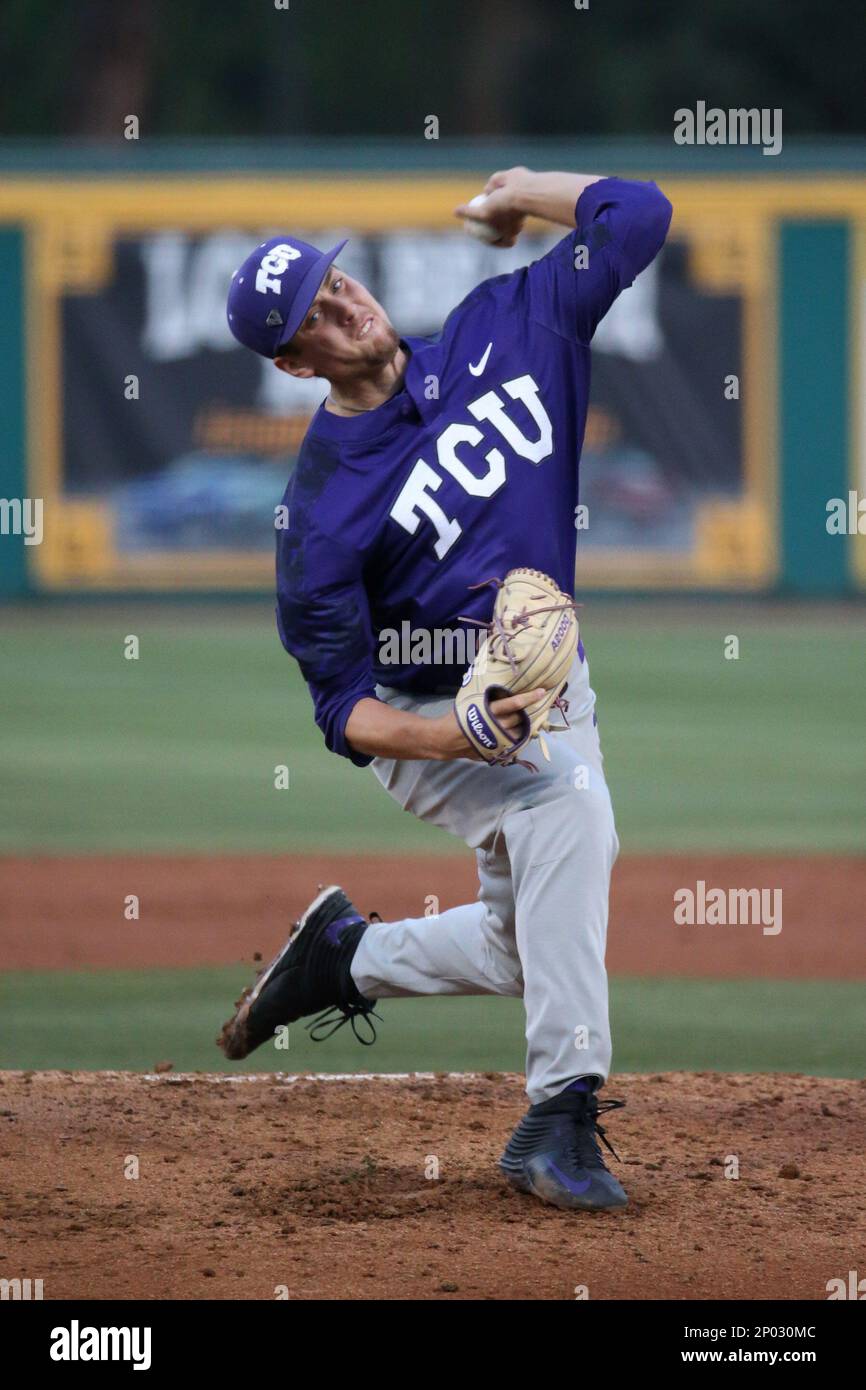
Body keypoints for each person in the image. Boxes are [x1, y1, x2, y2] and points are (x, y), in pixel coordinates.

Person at [220, 167, 672, 1211]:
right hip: (425, 722)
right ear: (293, 362)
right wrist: (457, 737)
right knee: (568, 807)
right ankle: (556, 1116)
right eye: (313, 318)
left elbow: (636, 214)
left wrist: (520, 190)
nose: (344, 305)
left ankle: (345, 957)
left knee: (528, 942)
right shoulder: (320, 516)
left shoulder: (508, 325)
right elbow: (343, 714)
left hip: (543, 683)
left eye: (337, 282)